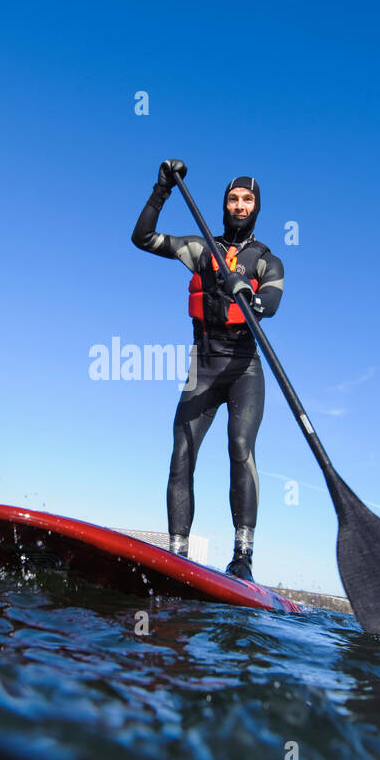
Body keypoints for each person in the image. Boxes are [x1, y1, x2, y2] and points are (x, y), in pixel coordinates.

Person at [131, 159, 284, 580]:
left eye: (247, 199)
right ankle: (177, 553)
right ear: (225, 204)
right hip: (203, 368)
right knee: (182, 451)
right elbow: (142, 237)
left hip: (243, 369)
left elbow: (270, 303)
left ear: (256, 207)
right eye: (233, 198)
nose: (239, 205)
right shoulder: (200, 250)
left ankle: (242, 559)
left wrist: (248, 297)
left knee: (239, 447)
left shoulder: (267, 261)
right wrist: (161, 189)